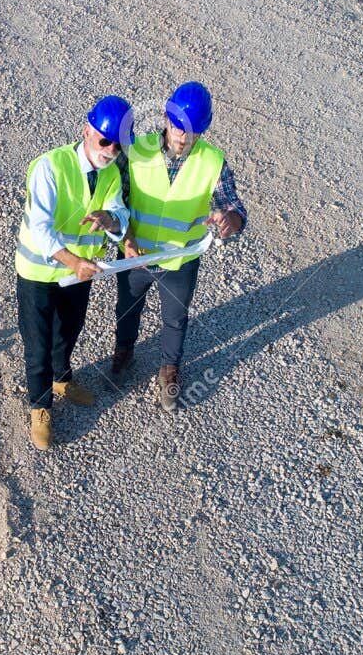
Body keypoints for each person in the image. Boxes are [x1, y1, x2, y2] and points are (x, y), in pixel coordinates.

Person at [112, 82, 246, 411]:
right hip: (136, 256)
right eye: (177, 127)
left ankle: (169, 370)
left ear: (204, 130)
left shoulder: (213, 161)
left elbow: (235, 208)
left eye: (193, 131)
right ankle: (124, 353)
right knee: (127, 309)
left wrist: (232, 221)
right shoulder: (137, 151)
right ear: (167, 119)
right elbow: (116, 199)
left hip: (180, 262)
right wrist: (123, 237)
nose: (183, 137)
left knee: (175, 319)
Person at [15, 96, 132, 450]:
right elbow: (41, 229)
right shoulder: (50, 167)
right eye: (104, 141)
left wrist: (110, 219)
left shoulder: (111, 173)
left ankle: (62, 378)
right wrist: (74, 262)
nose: (110, 150)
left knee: (69, 329)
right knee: (37, 343)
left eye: (118, 144)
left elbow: (120, 213)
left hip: (79, 273)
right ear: (86, 131)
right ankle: (40, 405)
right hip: (40, 271)